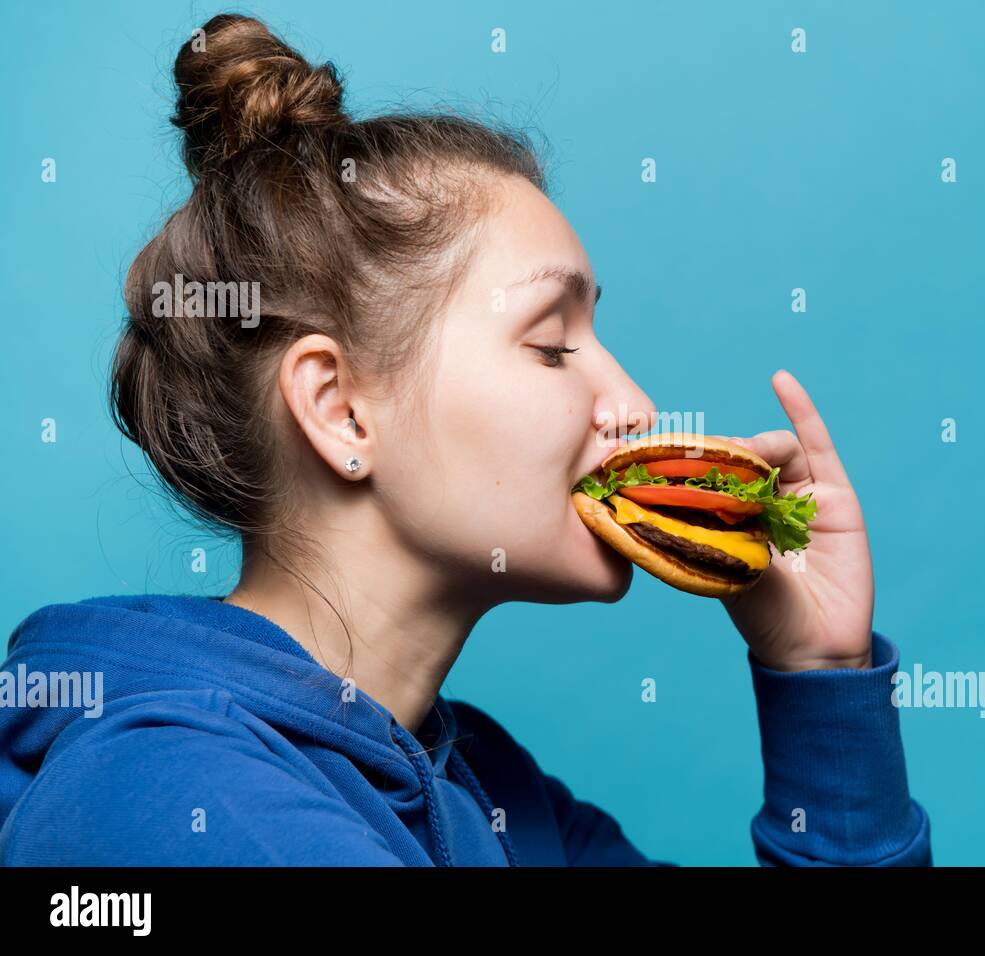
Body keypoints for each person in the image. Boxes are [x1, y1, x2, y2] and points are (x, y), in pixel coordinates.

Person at [0, 13, 930, 866]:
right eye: (553, 345)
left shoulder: (501, 798)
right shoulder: (174, 802)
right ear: (339, 409)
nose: (637, 406)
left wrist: (822, 678)